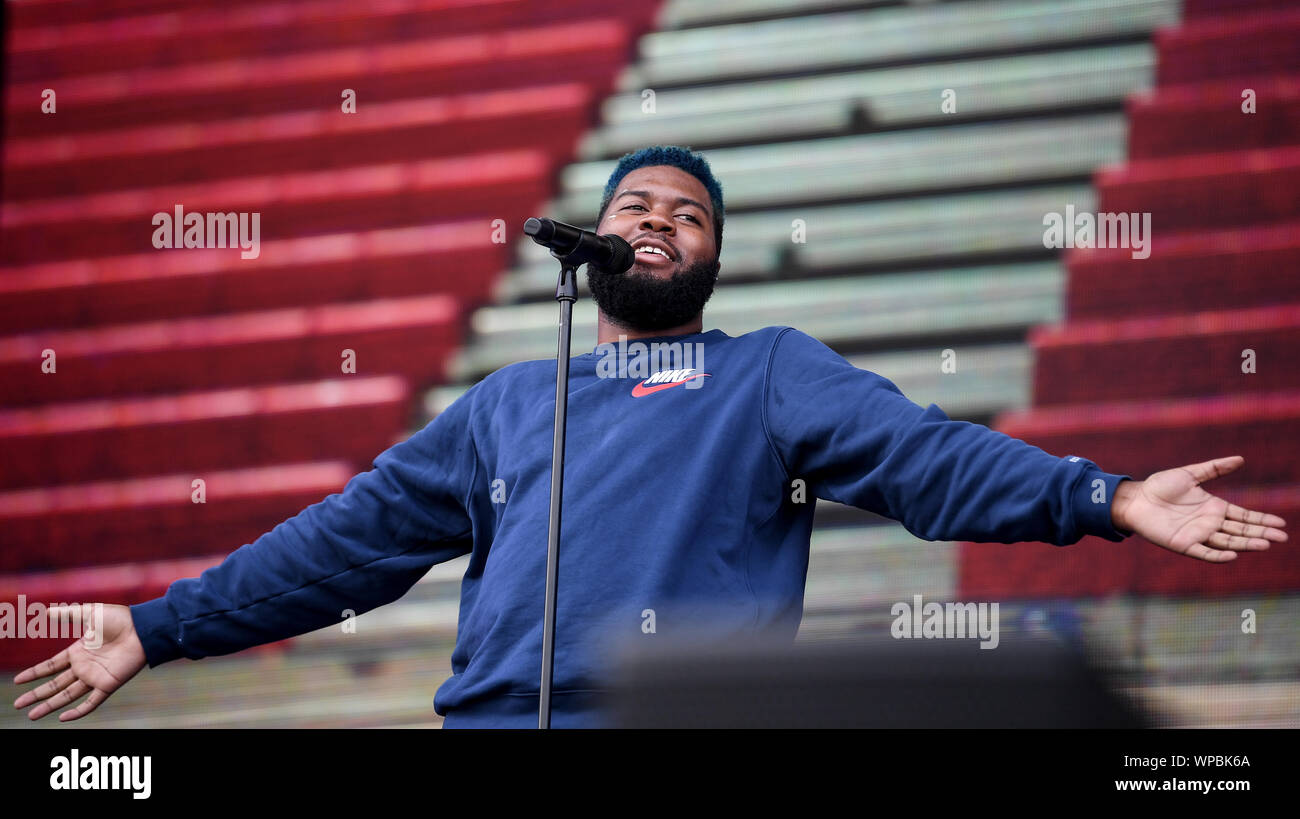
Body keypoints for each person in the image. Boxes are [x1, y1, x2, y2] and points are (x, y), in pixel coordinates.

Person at [12, 146, 1289, 728]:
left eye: (690, 214)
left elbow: (924, 458)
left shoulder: (767, 372)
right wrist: (160, 627)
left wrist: (1105, 495)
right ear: (598, 242)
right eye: (636, 204)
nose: (661, 221)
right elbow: (346, 544)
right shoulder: (507, 403)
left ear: (714, 258)